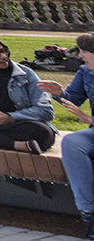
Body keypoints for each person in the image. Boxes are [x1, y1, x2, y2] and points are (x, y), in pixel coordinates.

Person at [39, 33, 94, 239]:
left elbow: (85, 116)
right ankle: (88, 214)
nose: (80, 56)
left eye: (85, 51)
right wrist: (60, 93)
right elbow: (74, 100)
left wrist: (89, 119)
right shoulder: (85, 72)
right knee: (71, 141)